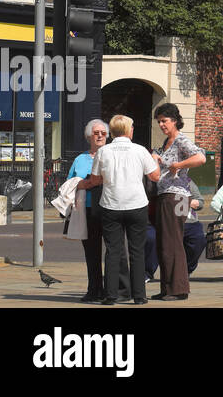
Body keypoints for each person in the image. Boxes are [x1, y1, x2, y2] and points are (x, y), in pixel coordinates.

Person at [76, 114, 160, 305]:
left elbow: (96, 180)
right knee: (137, 251)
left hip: (111, 204)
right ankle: (139, 296)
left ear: (112, 132)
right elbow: (154, 176)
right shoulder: (140, 150)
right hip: (136, 204)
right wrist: (155, 160)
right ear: (129, 130)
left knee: (113, 251)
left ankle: (110, 295)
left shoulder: (103, 152)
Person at [68, 119, 128, 303]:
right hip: (87, 210)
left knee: (116, 250)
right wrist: (85, 183)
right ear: (89, 137)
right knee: (91, 252)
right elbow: (70, 182)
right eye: (96, 133)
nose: (100, 135)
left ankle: (122, 290)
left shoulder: (112, 154)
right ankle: (94, 289)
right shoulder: (80, 159)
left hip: (111, 208)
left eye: (103, 132)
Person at [150, 102, 205, 301]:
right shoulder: (167, 142)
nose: (162, 125)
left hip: (176, 195)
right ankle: (168, 288)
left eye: (164, 121)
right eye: (159, 122)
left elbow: (201, 157)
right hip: (167, 196)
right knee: (165, 243)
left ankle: (178, 289)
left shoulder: (180, 140)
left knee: (172, 242)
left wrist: (178, 165)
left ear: (174, 120)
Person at [145, 187, 206, 278]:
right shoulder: (160, 181)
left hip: (189, 221)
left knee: (198, 238)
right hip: (163, 220)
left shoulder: (188, 182)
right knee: (152, 238)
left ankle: (186, 270)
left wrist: (188, 202)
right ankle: (147, 273)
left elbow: (200, 203)